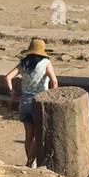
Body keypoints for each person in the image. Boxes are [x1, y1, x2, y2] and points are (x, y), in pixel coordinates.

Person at [4, 38, 59, 168]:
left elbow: (7, 77)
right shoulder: (46, 63)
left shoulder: (23, 63)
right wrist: (53, 95)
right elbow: (54, 81)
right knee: (38, 135)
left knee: (29, 135)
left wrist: (12, 92)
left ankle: (30, 161)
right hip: (39, 101)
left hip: (24, 101)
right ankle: (30, 161)